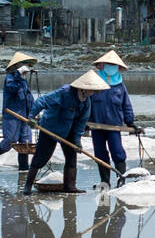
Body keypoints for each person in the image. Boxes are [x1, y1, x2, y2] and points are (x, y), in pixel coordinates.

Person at [22, 70, 110, 195]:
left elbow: (81, 123)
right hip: (50, 128)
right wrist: (31, 116)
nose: (94, 93)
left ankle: (70, 186)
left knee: (71, 157)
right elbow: (42, 101)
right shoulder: (65, 93)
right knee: (41, 158)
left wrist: (77, 141)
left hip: (69, 130)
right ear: (84, 87)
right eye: (93, 90)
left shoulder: (87, 102)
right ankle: (27, 186)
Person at [89, 49, 141, 187]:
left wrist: (130, 122)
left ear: (118, 67)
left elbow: (126, 105)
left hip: (114, 125)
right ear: (102, 65)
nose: (111, 68)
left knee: (117, 152)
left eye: (114, 65)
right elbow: (85, 103)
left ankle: (120, 181)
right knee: (100, 153)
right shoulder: (93, 82)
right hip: (97, 125)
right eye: (108, 64)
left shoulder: (120, 86)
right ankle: (105, 182)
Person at [0, 51, 37, 172]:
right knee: (10, 141)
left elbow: (28, 98)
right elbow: (12, 89)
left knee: (26, 143)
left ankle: (23, 169)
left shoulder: (23, 80)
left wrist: (32, 113)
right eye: (26, 66)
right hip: (12, 115)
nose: (28, 69)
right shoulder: (10, 78)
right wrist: (18, 74)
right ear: (18, 66)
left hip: (25, 115)